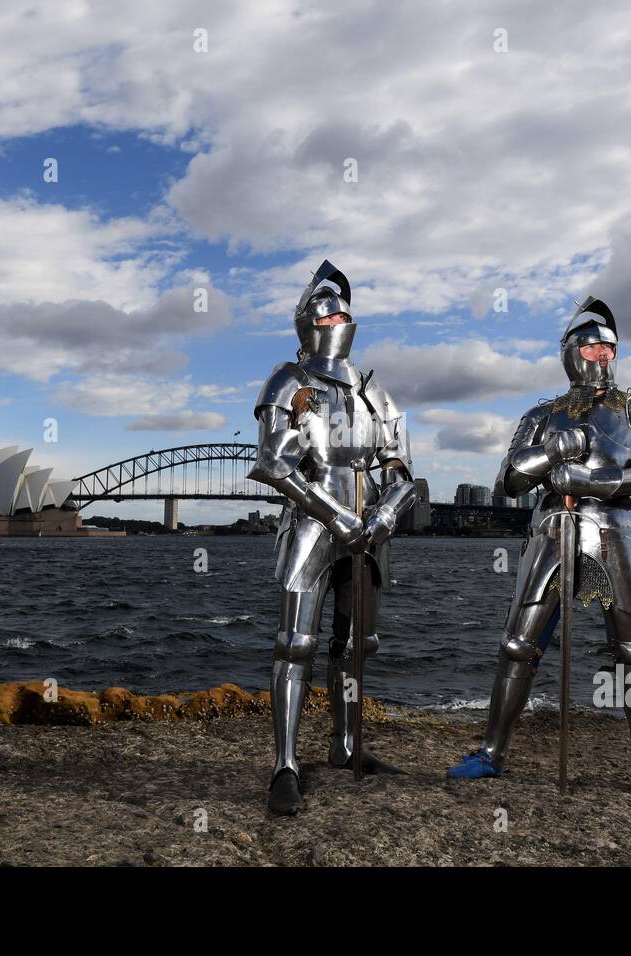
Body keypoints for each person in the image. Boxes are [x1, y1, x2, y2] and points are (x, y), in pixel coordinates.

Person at [446, 297, 631, 808]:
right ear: (569, 351)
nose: (600, 352)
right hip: (552, 531)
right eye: (590, 343)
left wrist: (602, 480)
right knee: (518, 646)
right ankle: (492, 750)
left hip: (621, 530)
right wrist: (555, 449)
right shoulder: (542, 413)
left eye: (608, 345)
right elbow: (508, 481)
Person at [247, 260, 418, 815]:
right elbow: (274, 464)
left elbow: (400, 469)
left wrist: (387, 514)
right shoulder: (288, 381)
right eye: (327, 311)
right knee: (294, 644)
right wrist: (333, 514)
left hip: (370, 528)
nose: (338, 319)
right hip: (311, 522)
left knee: (356, 647)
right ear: (307, 323)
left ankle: (346, 745)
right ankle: (285, 765)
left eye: (344, 311)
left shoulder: (375, 392)